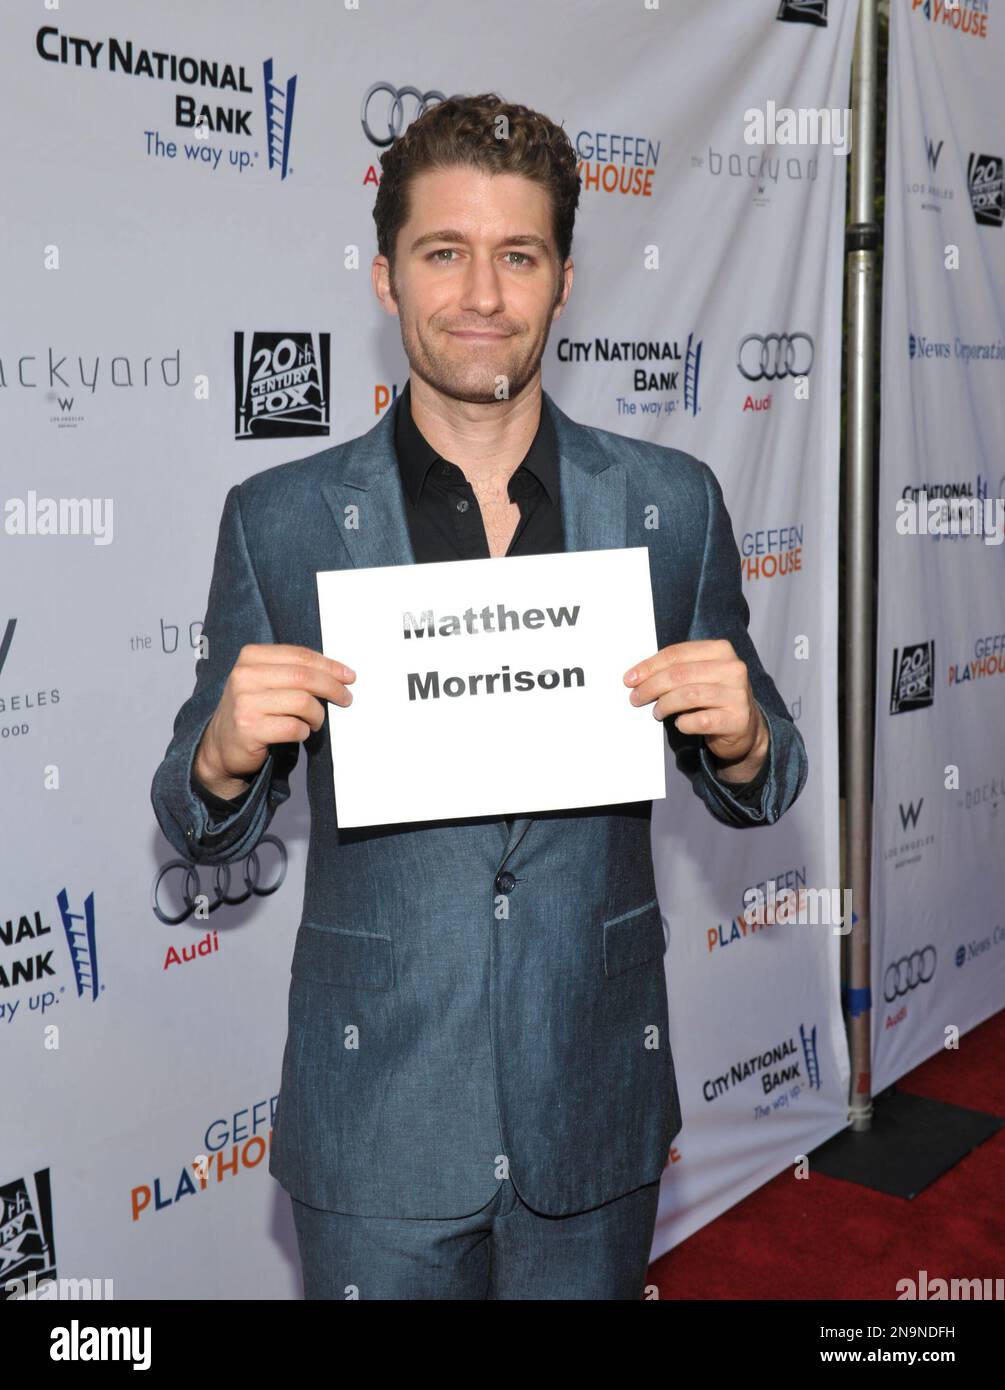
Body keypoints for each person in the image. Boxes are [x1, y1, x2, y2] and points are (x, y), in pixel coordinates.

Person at [150, 93, 808, 1300]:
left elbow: (767, 780)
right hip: (378, 1110)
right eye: (444, 252)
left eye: (520, 256)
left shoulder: (670, 504)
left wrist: (750, 738)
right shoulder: (282, 521)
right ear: (386, 278)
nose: (483, 295)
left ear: (565, 283)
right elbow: (195, 815)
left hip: (592, 1096)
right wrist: (220, 759)